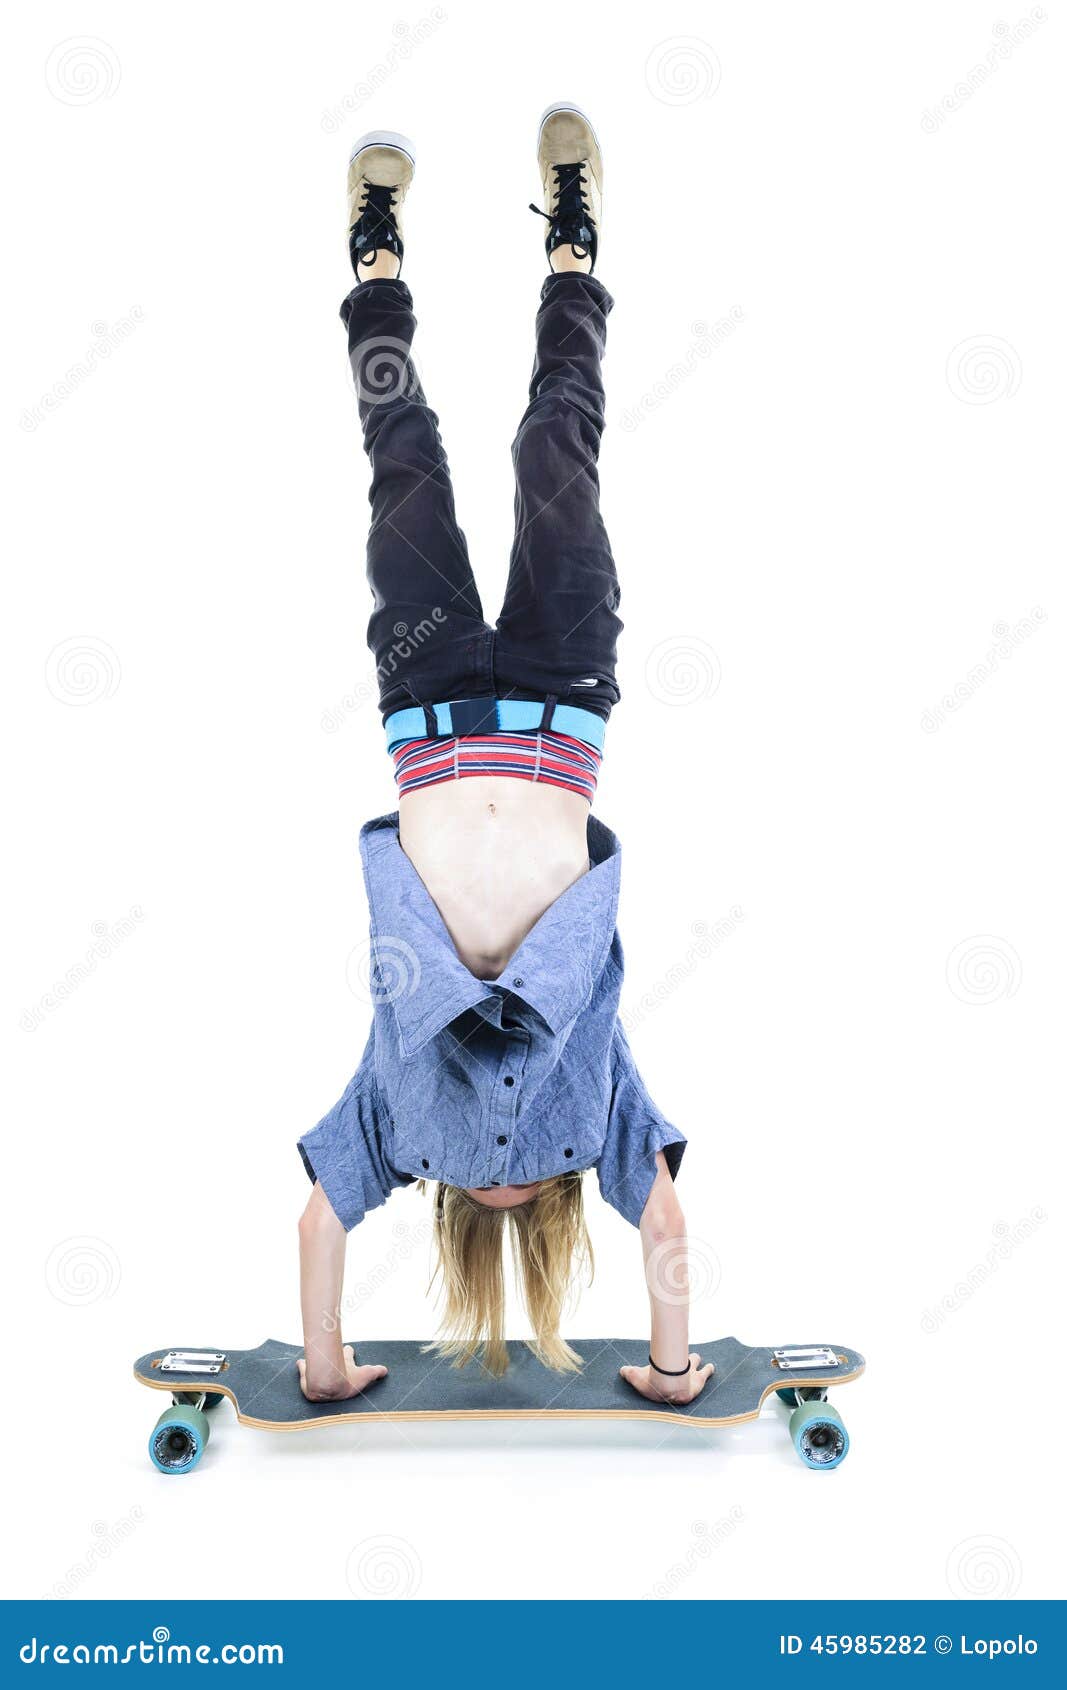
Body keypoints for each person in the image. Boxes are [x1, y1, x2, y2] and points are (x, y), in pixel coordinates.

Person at [296, 105, 713, 1409]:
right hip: (560, 696)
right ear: (554, 1207)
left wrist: (322, 1365)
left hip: (425, 701)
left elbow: (317, 1227)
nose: (503, 1158)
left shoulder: (393, 1116)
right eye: (527, 1175)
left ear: (462, 1213)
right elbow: (670, 1228)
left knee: (402, 464)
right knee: (558, 453)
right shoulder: (597, 1106)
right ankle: (574, 241)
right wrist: (669, 1359)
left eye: (490, 1181)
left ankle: (374, 258)